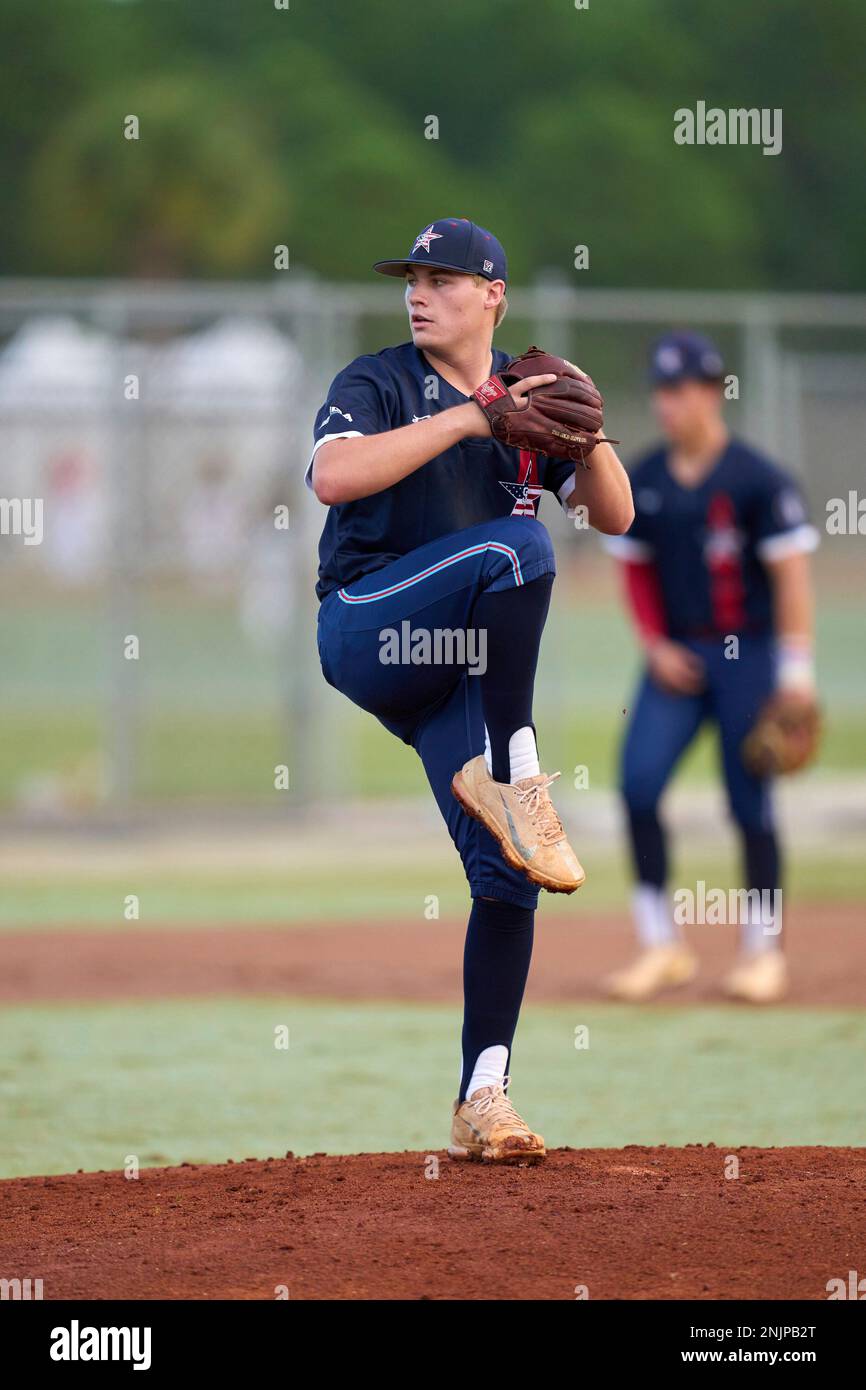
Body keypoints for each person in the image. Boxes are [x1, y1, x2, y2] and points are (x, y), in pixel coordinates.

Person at [308, 217, 632, 1162]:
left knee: (508, 876)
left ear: (492, 295)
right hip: (370, 627)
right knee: (517, 544)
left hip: (456, 676)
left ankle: (482, 1095)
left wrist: (590, 434)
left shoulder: (527, 401)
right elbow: (332, 477)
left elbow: (615, 515)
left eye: (444, 278)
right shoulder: (374, 381)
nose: (419, 291)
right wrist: (468, 418)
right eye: (412, 276)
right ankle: (517, 772)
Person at [604, 331, 818, 1004]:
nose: (668, 404)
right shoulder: (644, 478)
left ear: (712, 392)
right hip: (677, 657)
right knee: (637, 786)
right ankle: (660, 944)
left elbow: (791, 579)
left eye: (681, 390)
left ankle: (761, 953)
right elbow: (634, 571)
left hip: (747, 657)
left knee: (748, 801)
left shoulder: (759, 480)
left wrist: (797, 673)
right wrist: (653, 644)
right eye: (661, 391)